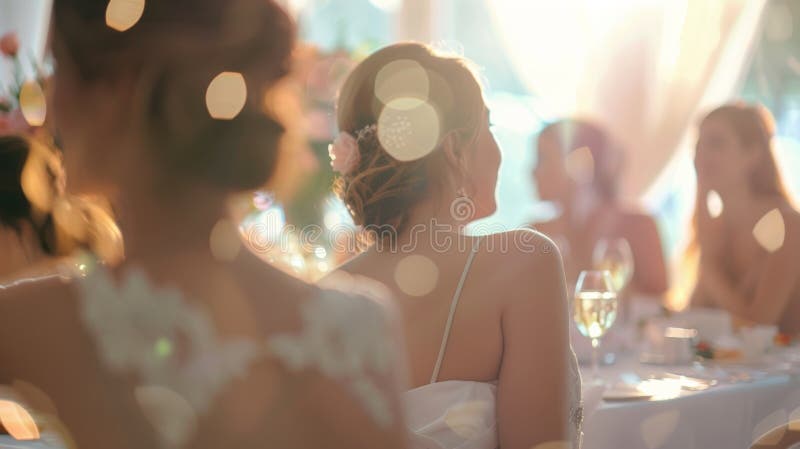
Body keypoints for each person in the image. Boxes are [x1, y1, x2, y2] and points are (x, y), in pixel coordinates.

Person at [0, 2, 407, 448]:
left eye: (59, 65)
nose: (48, 99)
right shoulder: (356, 331)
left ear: (120, 90)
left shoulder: (26, 328)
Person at [331, 42, 581, 449]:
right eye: (490, 128)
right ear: (453, 150)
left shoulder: (327, 293)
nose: (499, 153)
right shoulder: (524, 261)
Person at [690, 103, 800, 335]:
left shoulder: (787, 226)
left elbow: (758, 327)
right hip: (733, 370)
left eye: (716, 143)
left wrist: (710, 267)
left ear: (753, 154)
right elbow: (694, 319)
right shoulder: (718, 227)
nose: (701, 155)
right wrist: (701, 203)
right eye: (699, 144)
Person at [532, 120, 668, 300]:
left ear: (578, 164)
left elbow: (658, 301)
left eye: (543, 158)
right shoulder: (536, 232)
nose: (533, 171)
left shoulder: (639, 225)